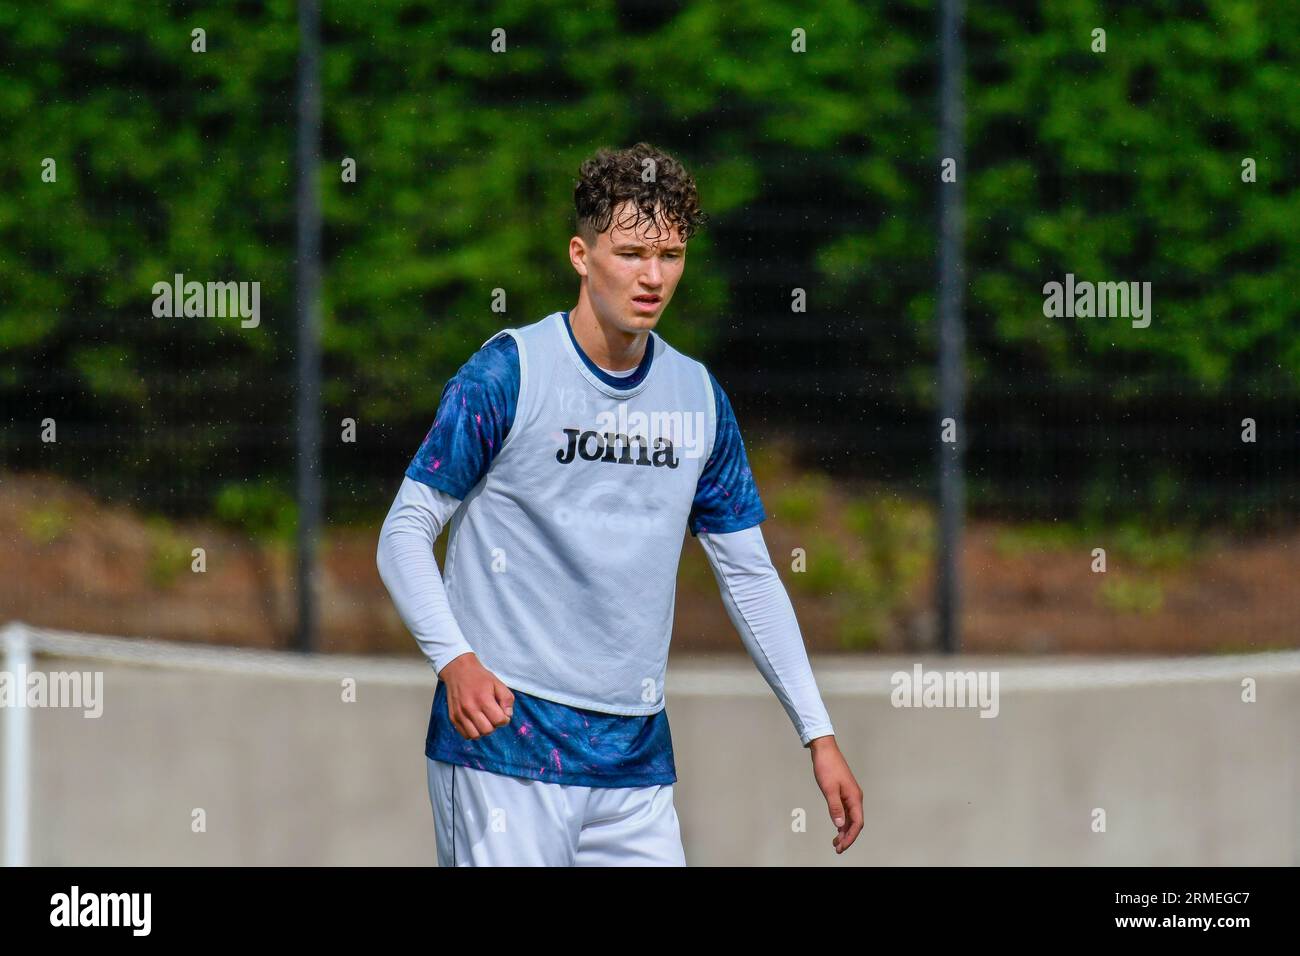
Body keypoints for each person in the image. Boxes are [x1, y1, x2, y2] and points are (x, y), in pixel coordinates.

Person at [377, 142, 863, 866]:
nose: (652, 276)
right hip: (506, 746)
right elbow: (404, 531)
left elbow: (750, 576)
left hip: (634, 761)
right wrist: (456, 659)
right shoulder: (509, 372)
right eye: (632, 251)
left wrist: (817, 733)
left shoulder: (697, 398)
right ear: (580, 254)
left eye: (670, 255)